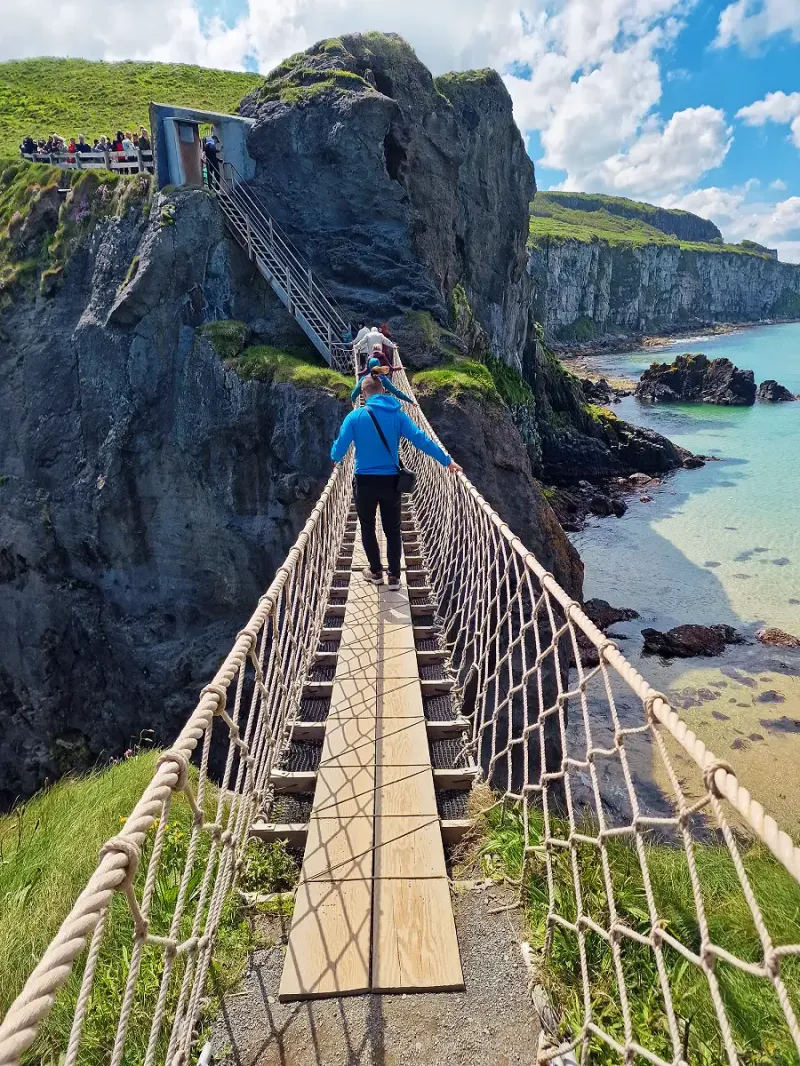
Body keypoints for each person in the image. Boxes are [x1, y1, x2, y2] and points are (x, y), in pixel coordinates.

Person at [331, 372, 461, 588]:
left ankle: (375, 572)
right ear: (383, 391)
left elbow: (339, 449)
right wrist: (447, 461)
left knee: (367, 527)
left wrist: (335, 459)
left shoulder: (354, 417)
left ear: (363, 394)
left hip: (364, 482)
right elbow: (421, 439)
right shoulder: (397, 415)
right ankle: (394, 576)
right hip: (391, 482)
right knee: (392, 529)